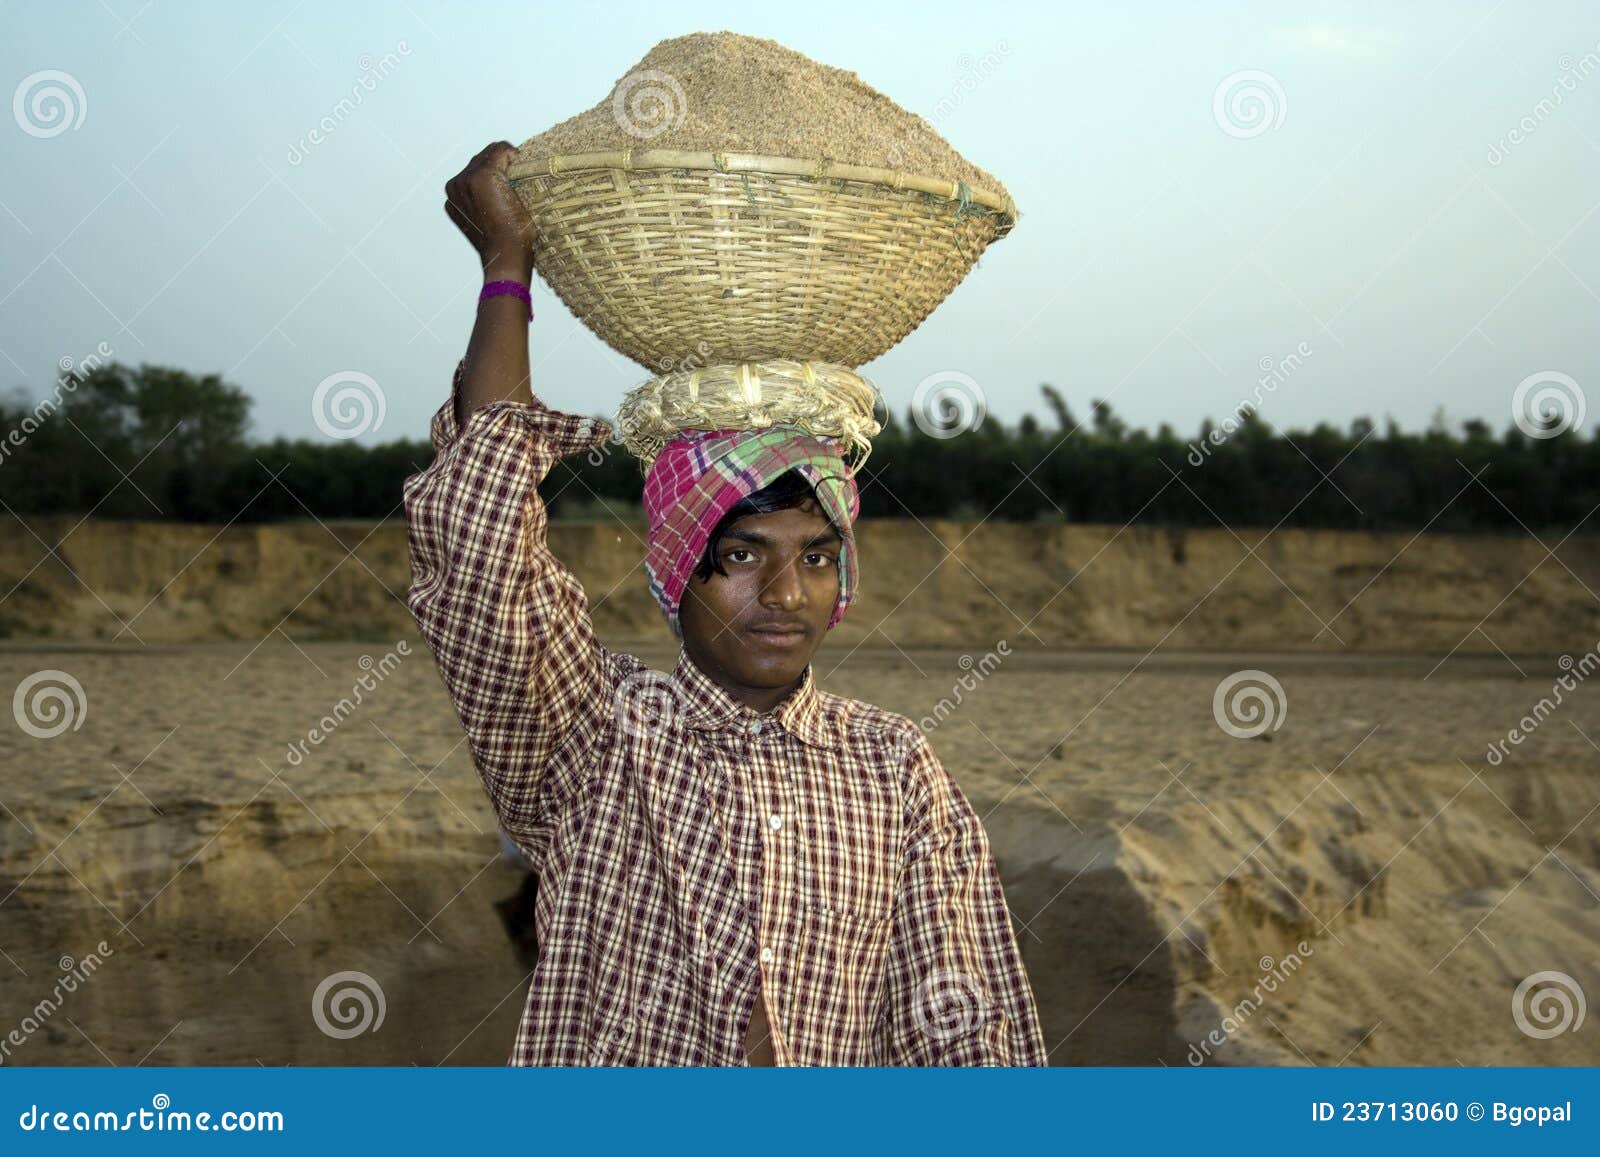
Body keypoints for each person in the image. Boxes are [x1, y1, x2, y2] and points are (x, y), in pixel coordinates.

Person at [403, 141, 1047, 1066]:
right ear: (674, 571)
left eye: (818, 558)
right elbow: (479, 540)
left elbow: (966, 1027)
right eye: (742, 555)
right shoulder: (591, 734)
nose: (785, 594)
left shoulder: (896, 771)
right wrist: (508, 266)